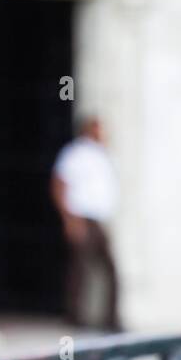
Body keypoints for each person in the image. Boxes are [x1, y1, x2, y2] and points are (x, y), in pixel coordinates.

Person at [50, 116, 123, 331]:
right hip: (82, 216)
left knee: (109, 269)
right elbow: (59, 185)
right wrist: (70, 220)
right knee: (79, 269)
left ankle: (110, 319)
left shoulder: (102, 154)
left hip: (99, 219)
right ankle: (75, 317)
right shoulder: (76, 154)